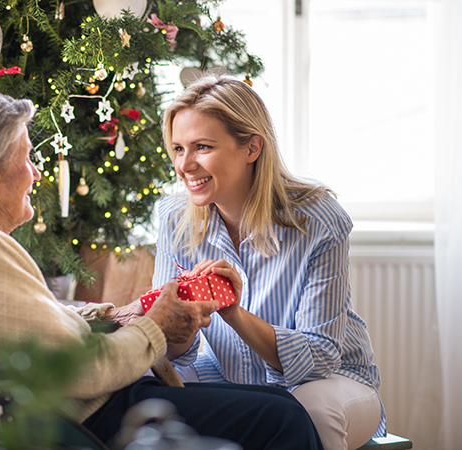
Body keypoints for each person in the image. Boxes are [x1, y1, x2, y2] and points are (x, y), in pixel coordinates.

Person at [0, 86, 323, 450]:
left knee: (282, 405)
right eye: (25, 158)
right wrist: (156, 326)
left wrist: (115, 314)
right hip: (91, 419)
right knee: (283, 419)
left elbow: (34, 321)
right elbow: (84, 371)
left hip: (92, 407)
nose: (35, 173)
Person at [152, 74, 385, 450]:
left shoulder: (318, 220)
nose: (185, 164)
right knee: (159, 399)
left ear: (252, 148)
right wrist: (179, 322)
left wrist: (234, 314)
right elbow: (171, 351)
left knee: (310, 411)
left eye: (202, 147)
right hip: (226, 377)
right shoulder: (173, 218)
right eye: (178, 149)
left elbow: (320, 357)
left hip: (329, 382)